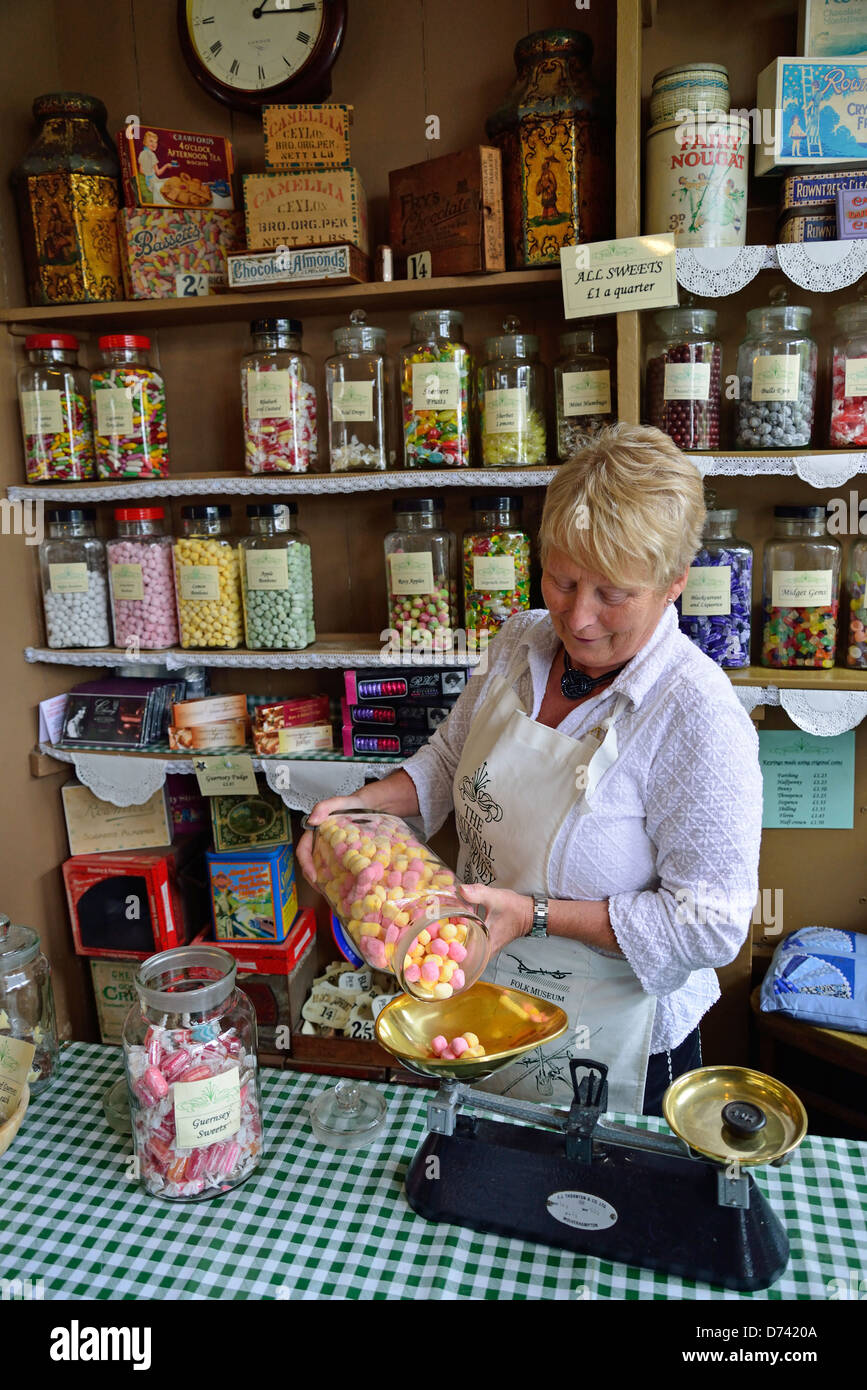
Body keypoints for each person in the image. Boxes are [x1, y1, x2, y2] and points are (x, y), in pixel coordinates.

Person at [297, 425, 763, 1115]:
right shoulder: (519, 640)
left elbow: (708, 924)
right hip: (478, 993)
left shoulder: (695, 713)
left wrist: (532, 915)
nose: (578, 617)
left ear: (673, 584)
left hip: (613, 1036)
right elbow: (449, 760)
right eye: (562, 580)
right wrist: (362, 811)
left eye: (612, 594)